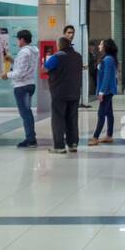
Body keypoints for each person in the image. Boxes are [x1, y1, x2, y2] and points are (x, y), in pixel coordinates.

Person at [43, 24, 83, 154]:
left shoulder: (56, 57)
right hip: (75, 93)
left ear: (59, 45)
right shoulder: (78, 56)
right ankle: (73, 144)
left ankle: (59, 146)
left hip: (59, 94)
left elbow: (44, 69)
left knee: (58, 119)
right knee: (72, 119)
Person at [6, 29, 39, 148]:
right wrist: (12, 61)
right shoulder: (34, 51)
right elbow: (24, 67)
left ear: (22, 40)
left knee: (25, 113)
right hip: (29, 84)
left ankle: (30, 139)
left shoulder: (24, 52)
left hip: (22, 86)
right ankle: (31, 137)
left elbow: (20, 73)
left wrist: (7, 75)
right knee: (27, 112)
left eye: (18, 39)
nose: (17, 41)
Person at [88, 39, 118, 146]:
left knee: (101, 114)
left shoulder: (108, 59)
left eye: (101, 44)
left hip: (106, 91)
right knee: (109, 113)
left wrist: (102, 92)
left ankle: (95, 137)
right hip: (106, 90)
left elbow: (107, 77)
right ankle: (109, 135)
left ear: (106, 46)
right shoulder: (106, 58)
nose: (99, 45)